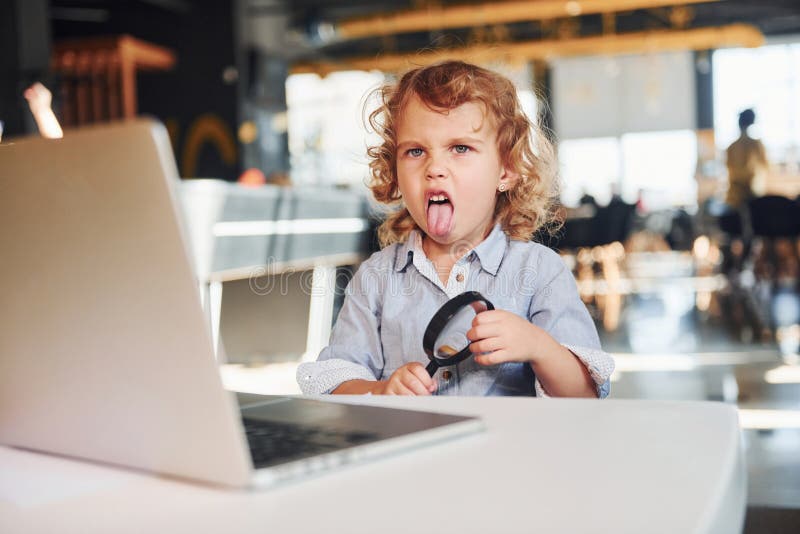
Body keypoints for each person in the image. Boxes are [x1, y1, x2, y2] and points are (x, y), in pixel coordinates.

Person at [297, 61, 614, 397]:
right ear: (395, 174)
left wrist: (539, 347)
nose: (434, 168)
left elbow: (585, 396)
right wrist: (380, 389)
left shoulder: (541, 271)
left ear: (506, 170)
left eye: (460, 148)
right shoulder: (376, 278)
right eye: (415, 151)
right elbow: (333, 386)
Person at [725, 108, 767, 209]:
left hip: (738, 195)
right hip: (746, 194)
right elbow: (765, 165)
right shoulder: (755, 145)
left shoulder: (732, 147)